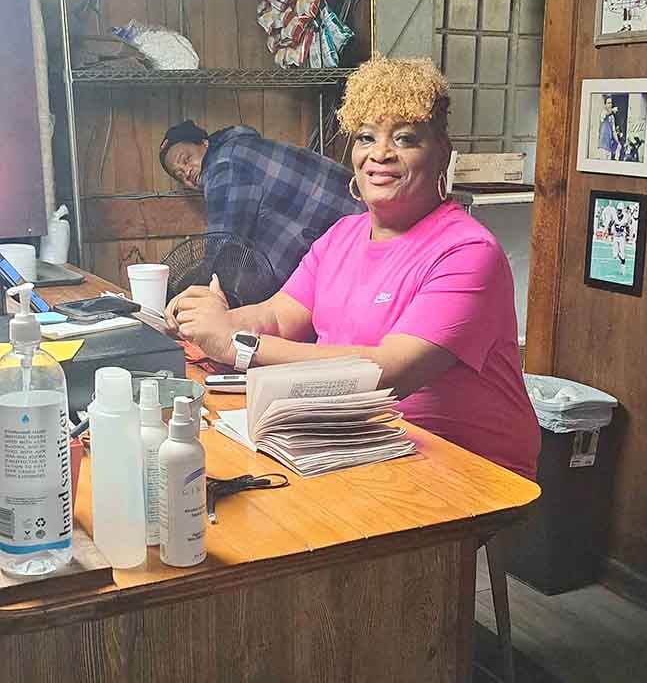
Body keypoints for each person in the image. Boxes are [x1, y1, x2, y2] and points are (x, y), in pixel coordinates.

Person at [166, 58, 540, 480]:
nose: (380, 154)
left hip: (467, 471)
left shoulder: (468, 253)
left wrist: (237, 345)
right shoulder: (342, 235)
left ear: (441, 154)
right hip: (359, 446)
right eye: (366, 137)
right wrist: (206, 316)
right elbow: (276, 316)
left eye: (404, 138)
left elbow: (387, 372)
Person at [159, 120, 363, 287]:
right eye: (179, 175)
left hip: (358, 234)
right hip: (364, 215)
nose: (186, 172)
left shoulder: (222, 166)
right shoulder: (240, 147)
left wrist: (190, 292)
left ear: (204, 143)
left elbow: (222, 247)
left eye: (186, 159)